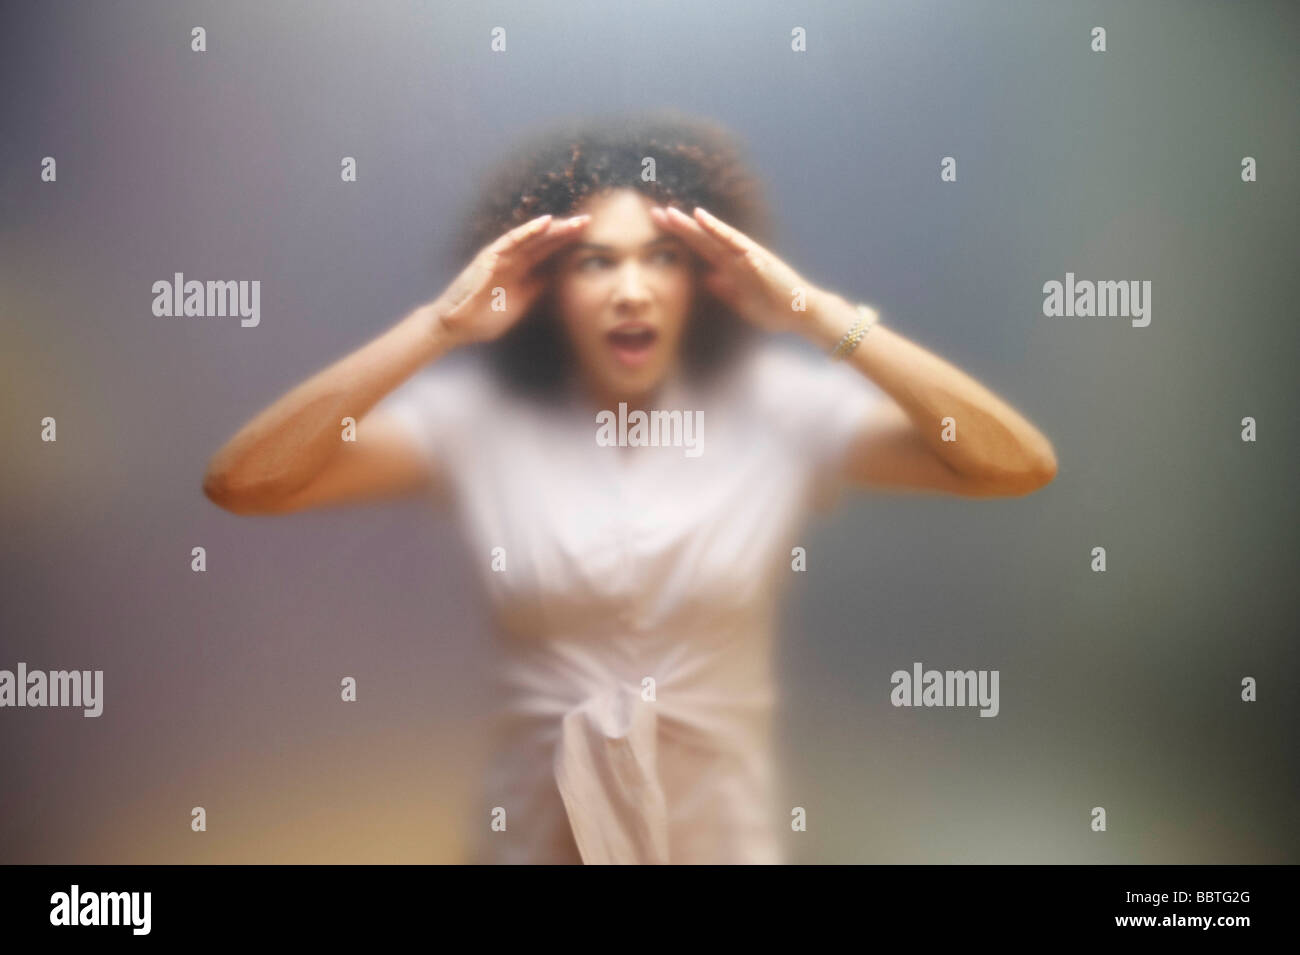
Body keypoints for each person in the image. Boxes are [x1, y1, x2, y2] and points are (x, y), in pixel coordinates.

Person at [201, 110, 1058, 864]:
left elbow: (1013, 463)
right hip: (531, 838)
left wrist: (813, 313)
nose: (632, 290)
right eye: (595, 263)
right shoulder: (477, 421)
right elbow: (247, 482)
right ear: (544, 288)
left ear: (705, 278)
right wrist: (438, 328)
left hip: (719, 836)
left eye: (665, 257)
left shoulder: (780, 410)